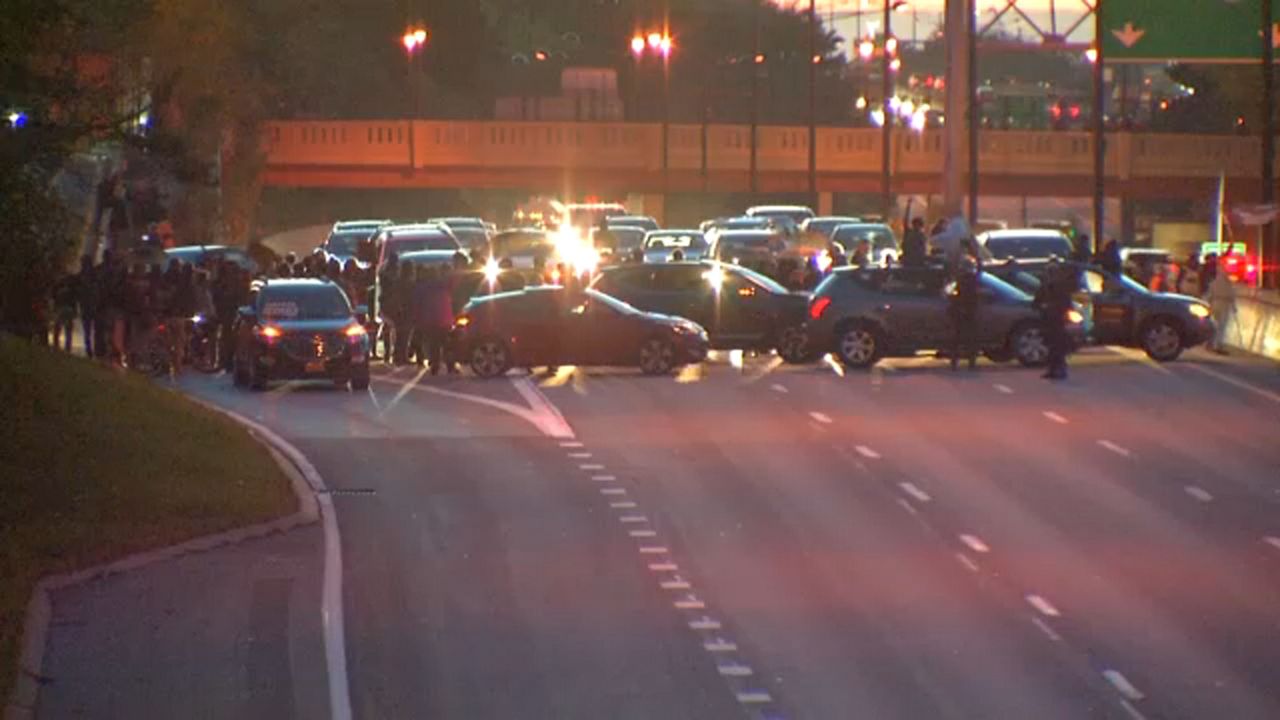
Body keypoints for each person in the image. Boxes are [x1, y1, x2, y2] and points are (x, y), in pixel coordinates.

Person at [412, 265, 455, 375]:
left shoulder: (422, 288)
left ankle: (435, 365)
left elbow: (417, 304)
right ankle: (450, 365)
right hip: (445, 318)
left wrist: (417, 318)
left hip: (430, 319)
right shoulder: (444, 286)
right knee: (446, 343)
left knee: (433, 344)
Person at [1035, 262, 1074, 380]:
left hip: (1057, 320)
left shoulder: (1060, 287)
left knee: (1058, 345)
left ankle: (1059, 369)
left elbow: (1067, 304)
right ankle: (1053, 369)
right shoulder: (1045, 287)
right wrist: (1042, 307)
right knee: (1051, 345)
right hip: (1047, 320)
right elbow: (1036, 301)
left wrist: (1052, 307)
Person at [948, 257, 980, 371]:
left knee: (959, 337)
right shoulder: (970, 281)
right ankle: (968, 361)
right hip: (965, 311)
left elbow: (950, 293)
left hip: (962, 311)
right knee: (967, 337)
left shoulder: (961, 280)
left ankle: (957, 361)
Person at [1206, 257, 1236, 354]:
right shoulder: (1228, 283)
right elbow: (1231, 295)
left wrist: (1208, 305)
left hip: (1215, 303)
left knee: (1214, 324)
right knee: (1222, 326)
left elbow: (1209, 294)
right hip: (1224, 304)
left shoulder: (1214, 281)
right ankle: (1218, 344)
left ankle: (1210, 343)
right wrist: (1234, 307)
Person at [75, 255, 98, 357]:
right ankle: (89, 348)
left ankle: (93, 349)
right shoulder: (83, 276)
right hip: (88, 304)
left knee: (93, 328)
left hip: (92, 304)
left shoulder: (93, 276)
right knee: (88, 328)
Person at [51, 271, 78, 352]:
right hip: (64, 309)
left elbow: (55, 297)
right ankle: (61, 346)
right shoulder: (66, 288)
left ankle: (62, 346)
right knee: (62, 328)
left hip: (64, 309)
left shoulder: (65, 288)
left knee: (62, 328)